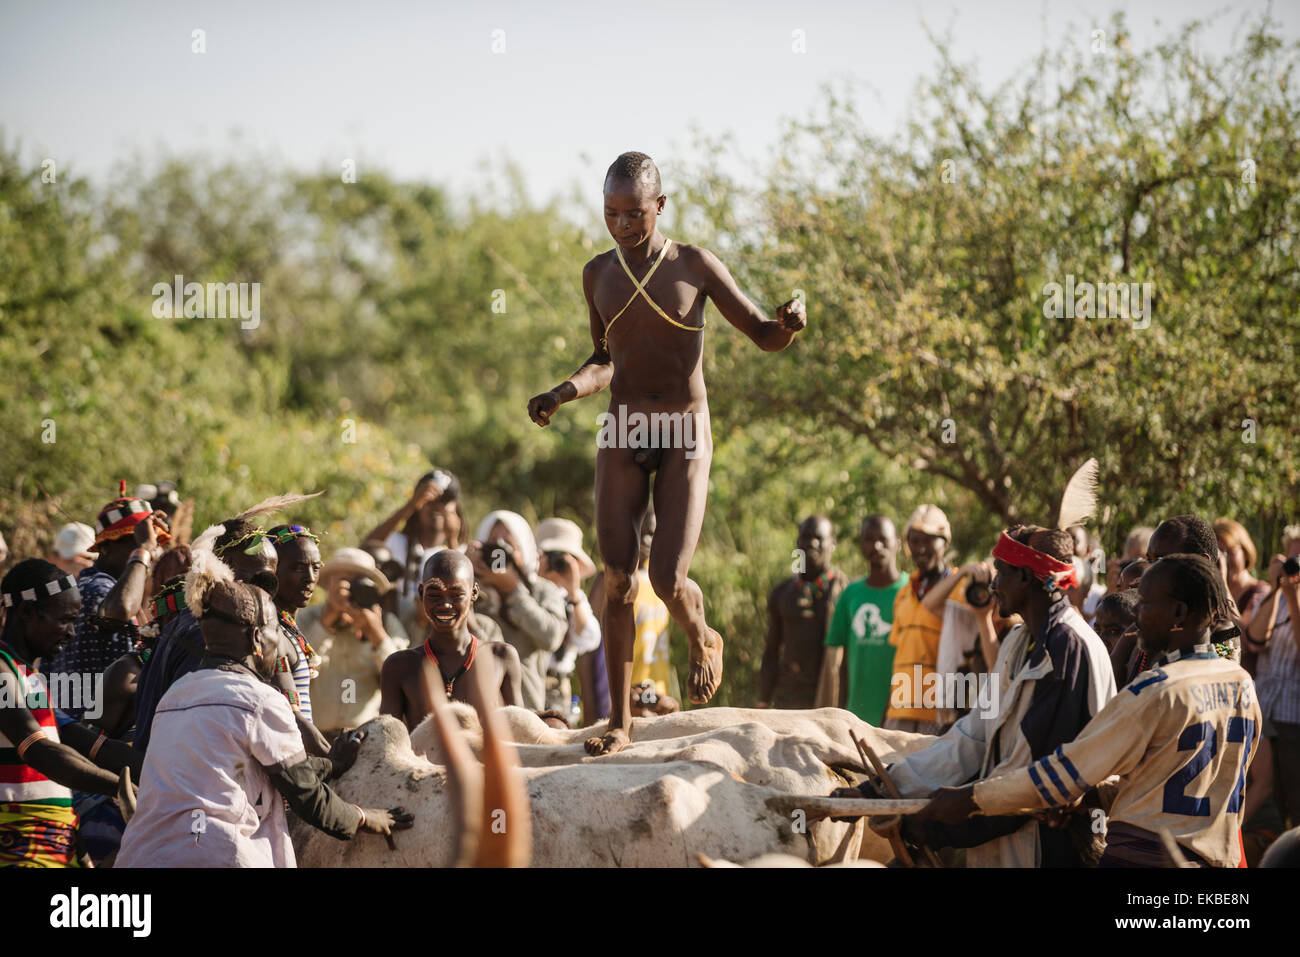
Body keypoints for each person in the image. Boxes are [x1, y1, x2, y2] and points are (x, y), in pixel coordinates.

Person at [527, 151, 806, 754]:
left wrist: (789, 323)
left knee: (667, 577)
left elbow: (763, 335)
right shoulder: (597, 274)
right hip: (625, 427)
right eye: (611, 212)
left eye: (634, 212)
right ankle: (619, 724)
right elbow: (604, 359)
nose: (623, 225)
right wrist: (562, 392)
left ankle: (703, 634)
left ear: (661, 205)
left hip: (684, 431)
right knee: (620, 579)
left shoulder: (694, 265)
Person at [918, 554, 1261, 868]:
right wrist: (1090, 798)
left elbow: (1061, 774)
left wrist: (972, 798)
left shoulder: (1157, 690)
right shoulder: (1242, 684)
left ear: (1178, 614)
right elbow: (1177, 778)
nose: (1136, 615)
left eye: (1146, 604)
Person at [833, 524, 1116, 867]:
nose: (993, 584)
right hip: (1009, 841)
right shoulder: (1018, 641)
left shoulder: (1066, 650)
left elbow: (1031, 777)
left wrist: (936, 826)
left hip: (1049, 849)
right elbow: (974, 736)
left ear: (1026, 578)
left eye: (1002, 573)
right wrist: (878, 790)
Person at [116, 567, 412, 868]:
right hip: (216, 856)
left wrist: (332, 764)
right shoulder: (260, 701)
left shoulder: (176, 694)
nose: (282, 643)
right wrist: (368, 817)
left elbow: (255, 769)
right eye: (276, 631)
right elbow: (305, 796)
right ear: (258, 639)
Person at [0, 560, 143, 867]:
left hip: (50, 841)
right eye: (64, 620)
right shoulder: (1, 672)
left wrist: (166, 775)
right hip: (17, 843)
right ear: (26, 613)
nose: (71, 633)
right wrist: (118, 787)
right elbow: (37, 750)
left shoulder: (31, 679)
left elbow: (88, 743)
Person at [47, 486, 170, 713]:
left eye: (154, 544)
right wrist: (142, 550)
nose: (152, 554)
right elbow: (121, 609)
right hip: (88, 732)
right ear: (107, 546)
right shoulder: (94, 589)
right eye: (136, 541)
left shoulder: (99, 587)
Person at [380, 550, 523, 730]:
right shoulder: (399, 666)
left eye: (456, 595)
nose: (445, 604)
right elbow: (388, 744)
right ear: (421, 593)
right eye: (434, 595)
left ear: (474, 593)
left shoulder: (501, 657)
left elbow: (521, 733)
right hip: (420, 759)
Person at [299, 547, 409, 738]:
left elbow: (402, 678)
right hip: (315, 737)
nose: (350, 589)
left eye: (357, 582)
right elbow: (297, 668)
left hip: (368, 738)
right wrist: (325, 624)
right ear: (329, 584)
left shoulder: (387, 624)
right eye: (343, 581)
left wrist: (377, 635)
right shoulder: (306, 618)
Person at [469, 510, 568, 712]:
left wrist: (513, 590)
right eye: (492, 544)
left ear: (523, 549)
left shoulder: (542, 590)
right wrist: (464, 572)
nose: (499, 553)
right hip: (478, 711)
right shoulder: (471, 593)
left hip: (527, 709)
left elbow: (552, 637)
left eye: (507, 545)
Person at [815, 515, 906, 724]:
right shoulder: (850, 594)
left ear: (898, 544)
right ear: (861, 545)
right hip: (856, 718)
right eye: (869, 539)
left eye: (883, 539)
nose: (877, 545)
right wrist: (842, 714)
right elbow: (842, 663)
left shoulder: (911, 591)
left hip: (901, 718)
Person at [760, 515, 847, 710]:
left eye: (819, 538)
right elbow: (771, 649)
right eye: (805, 537)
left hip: (831, 698)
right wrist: (764, 698)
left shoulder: (845, 593)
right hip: (789, 699)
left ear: (832, 543)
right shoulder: (783, 593)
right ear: (798, 542)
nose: (812, 543)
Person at [882, 505, 955, 733]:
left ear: (945, 542)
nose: (921, 548)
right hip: (899, 712)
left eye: (929, 540)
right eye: (914, 540)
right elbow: (901, 657)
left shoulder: (960, 588)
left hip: (939, 715)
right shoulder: (903, 593)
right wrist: (886, 715)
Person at [1246, 529, 1300, 829]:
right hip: (1265, 712)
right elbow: (1254, 639)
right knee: (1272, 807)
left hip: (1295, 717)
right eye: (1292, 556)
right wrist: (1280, 588)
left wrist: (1294, 597)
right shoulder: (1275, 595)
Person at [364, 469, 464, 603]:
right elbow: (366, 548)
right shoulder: (396, 542)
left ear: (456, 508)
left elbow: (461, 590)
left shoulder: (462, 552)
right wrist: (410, 506)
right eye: (430, 500)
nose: (436, 507)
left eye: (444, 502)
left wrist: (452, 539)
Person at [535, 517, 602, 711]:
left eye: (563, 559)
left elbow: (590, 638)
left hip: (557, 684)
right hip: (529, 676)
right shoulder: (527, 592)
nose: (556, 564)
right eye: (551, 556)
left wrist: (573, 593)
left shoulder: (575, 598)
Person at [1215, 518, 1269, 628]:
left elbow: (1244, 635)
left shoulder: (1260, 592)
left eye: (1230, 552)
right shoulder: (1211, 592)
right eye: (1220, 553)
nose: (1224, 560)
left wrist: (1222, 585)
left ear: (1245, 552)